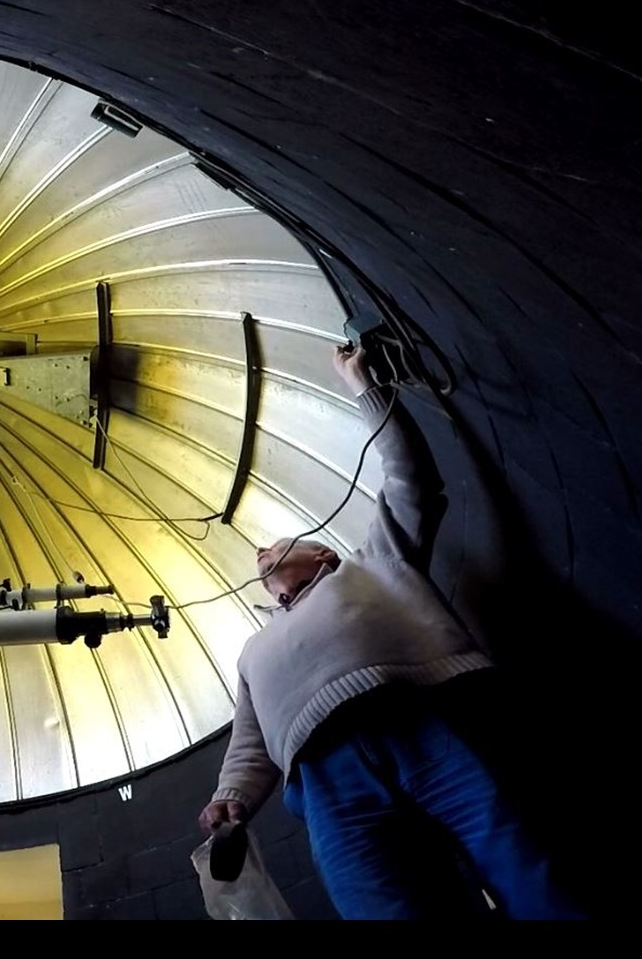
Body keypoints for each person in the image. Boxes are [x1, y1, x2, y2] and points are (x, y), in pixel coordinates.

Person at [198, 343, 580, 919]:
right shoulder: (253, 651)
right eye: (260, 558)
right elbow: (251, 743)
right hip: (326, 783)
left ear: (322, 553)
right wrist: (230, 798)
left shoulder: (370, 560)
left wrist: (363, 387)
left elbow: (410, 480)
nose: (260, 552)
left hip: (422, 720)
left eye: (274, 547)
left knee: (526, 863)